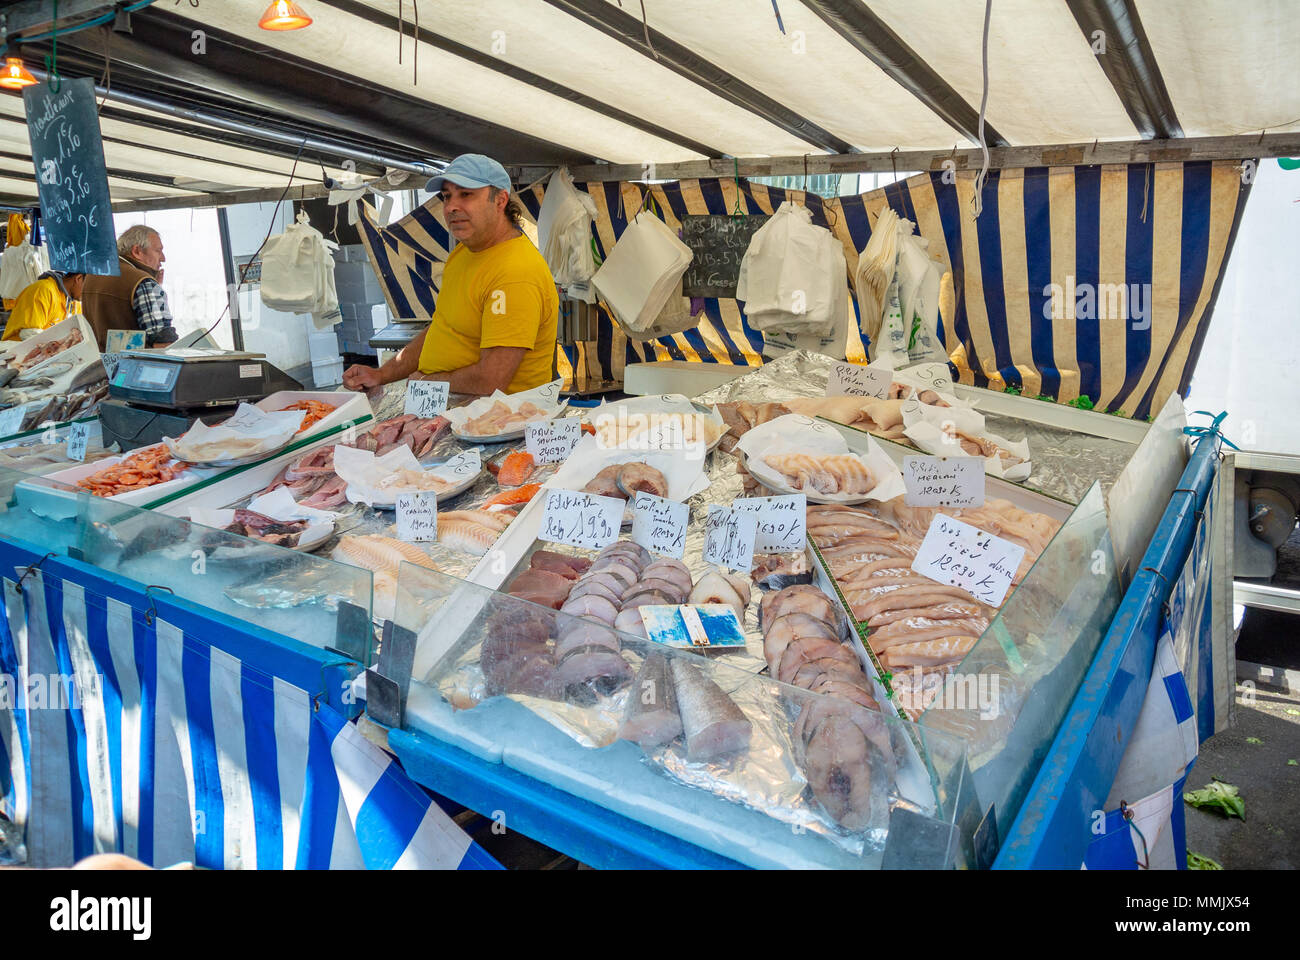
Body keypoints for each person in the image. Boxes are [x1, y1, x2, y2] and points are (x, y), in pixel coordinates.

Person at [342, 154, 558, 396]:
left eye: (466, 194)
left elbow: (490, 380)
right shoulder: (463, 252)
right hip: (450, 411)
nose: (451, 207)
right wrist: (381, 374)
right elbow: (442, 328)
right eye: (446, 196)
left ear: (500, 200)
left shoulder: (514, 274)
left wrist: (427, 381)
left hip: (495, 423)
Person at [80, 224, 180, 350]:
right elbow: (164, 343)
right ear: (137, 251)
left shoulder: (93, 275)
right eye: (158, 251)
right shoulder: (144, 283)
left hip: (98, 365)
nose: (163, 258)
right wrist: (154, 287)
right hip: (135, 366)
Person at [1, 270, 85, 341]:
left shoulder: (76, 303)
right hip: (15, 352)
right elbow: (29, 334)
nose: (89, 293)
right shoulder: (42, 290)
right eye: (89, 287)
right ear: (78, 278)